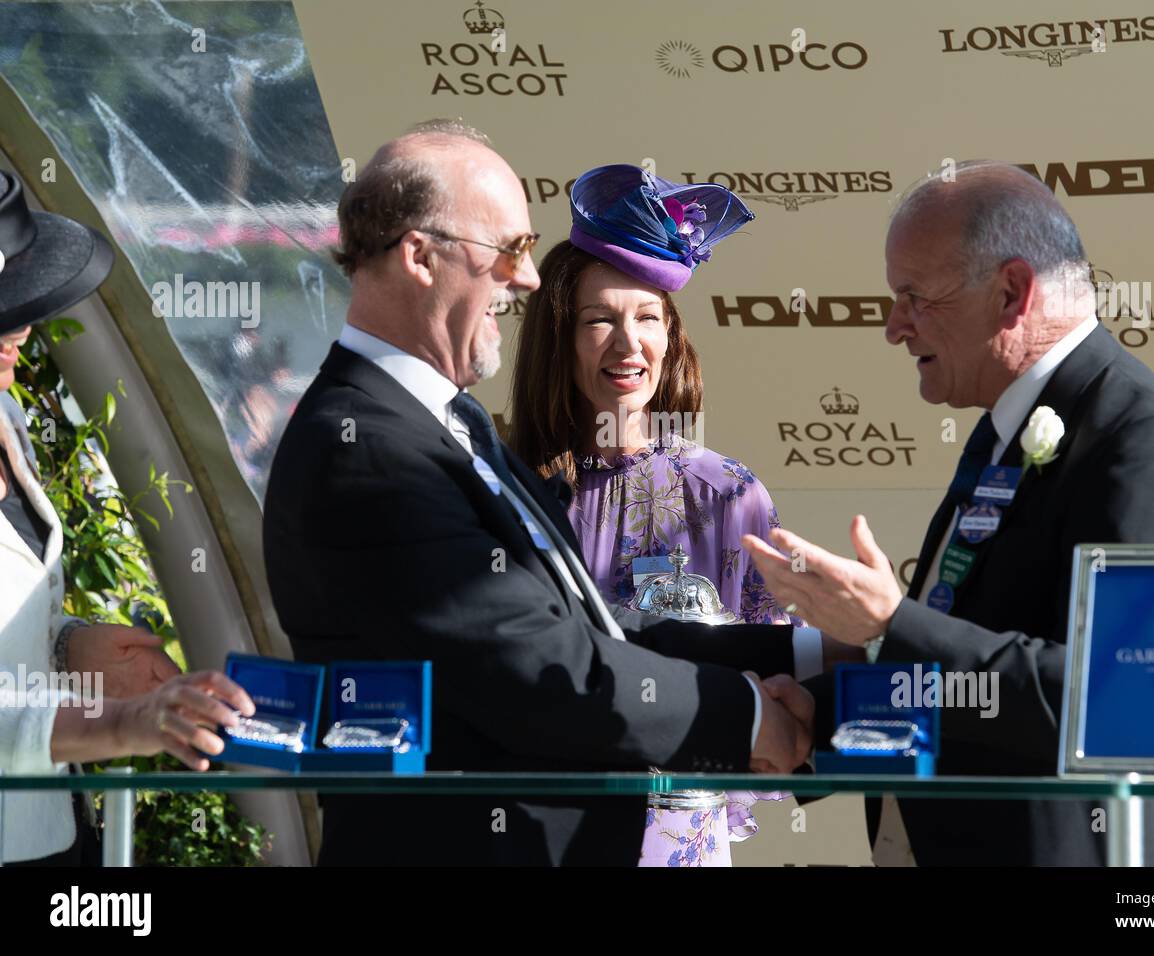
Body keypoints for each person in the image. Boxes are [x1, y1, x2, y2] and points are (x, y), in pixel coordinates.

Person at [263, 121, 840, 867]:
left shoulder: (442, 426)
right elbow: (538, 670)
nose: (530, 279)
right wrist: (750, 716)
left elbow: (593, 640)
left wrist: (823, 649)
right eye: (510, 250)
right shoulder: (369, 451)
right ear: (419, 255)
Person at [745, 160, 1154, 866]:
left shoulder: (1145, 444)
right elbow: (981, 688)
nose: (893, 327)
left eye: (914, 296)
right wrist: (816, 725)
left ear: (1011, 292)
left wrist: (893, 623)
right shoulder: (1008, 426)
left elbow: (1145, 705)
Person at [508, 164, 791, 865]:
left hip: (677, 838)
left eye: (647, 318)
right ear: (558, 340)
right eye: (598, 319)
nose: (627, 345)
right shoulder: (509, 491)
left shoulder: (728, 493)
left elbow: (774, 667)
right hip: (541, 827)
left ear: (672, 337)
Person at [0, 170, 254, 864]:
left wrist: (67, 650)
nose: (19, 328)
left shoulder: (8, 415)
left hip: (43, 833)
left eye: (19, 303)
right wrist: (127, 723)